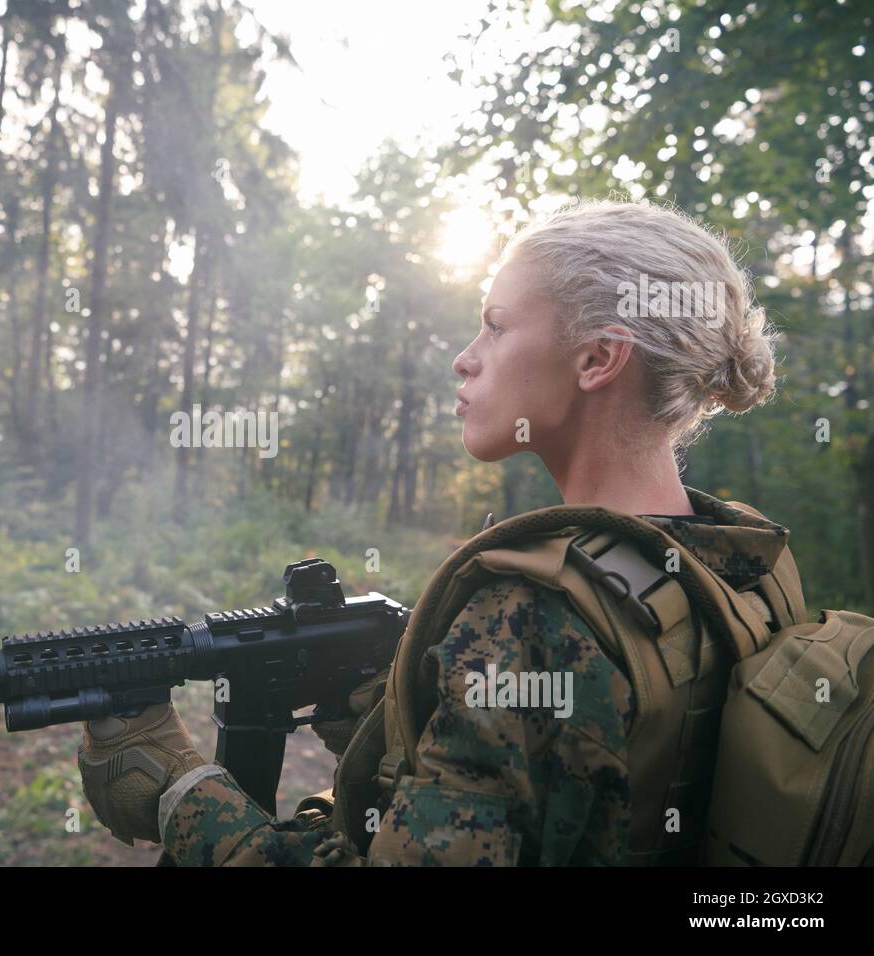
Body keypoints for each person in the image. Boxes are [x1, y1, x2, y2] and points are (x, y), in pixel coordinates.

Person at [77, 198, 798, 865]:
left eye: (496, 324)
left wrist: (181, 789)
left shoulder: (530, 614)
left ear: (597, 359)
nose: (466, 356)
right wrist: (404, 717)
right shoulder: (746, 563)